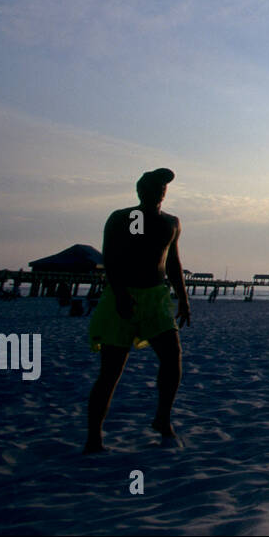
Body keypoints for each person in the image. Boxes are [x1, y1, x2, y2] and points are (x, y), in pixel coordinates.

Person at [85, 168, 190, 452]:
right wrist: (119, 293)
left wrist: (183, 297)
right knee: (111, 371)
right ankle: (94, 436)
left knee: (172, 357)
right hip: (125, 295)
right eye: (155, 185)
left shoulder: (172, 222)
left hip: (156, 297)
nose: (161, 190)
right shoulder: (127, 217)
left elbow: (173, 263)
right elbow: (114, 257)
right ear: (141, 190)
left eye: (164, 186)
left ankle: (162, 418)